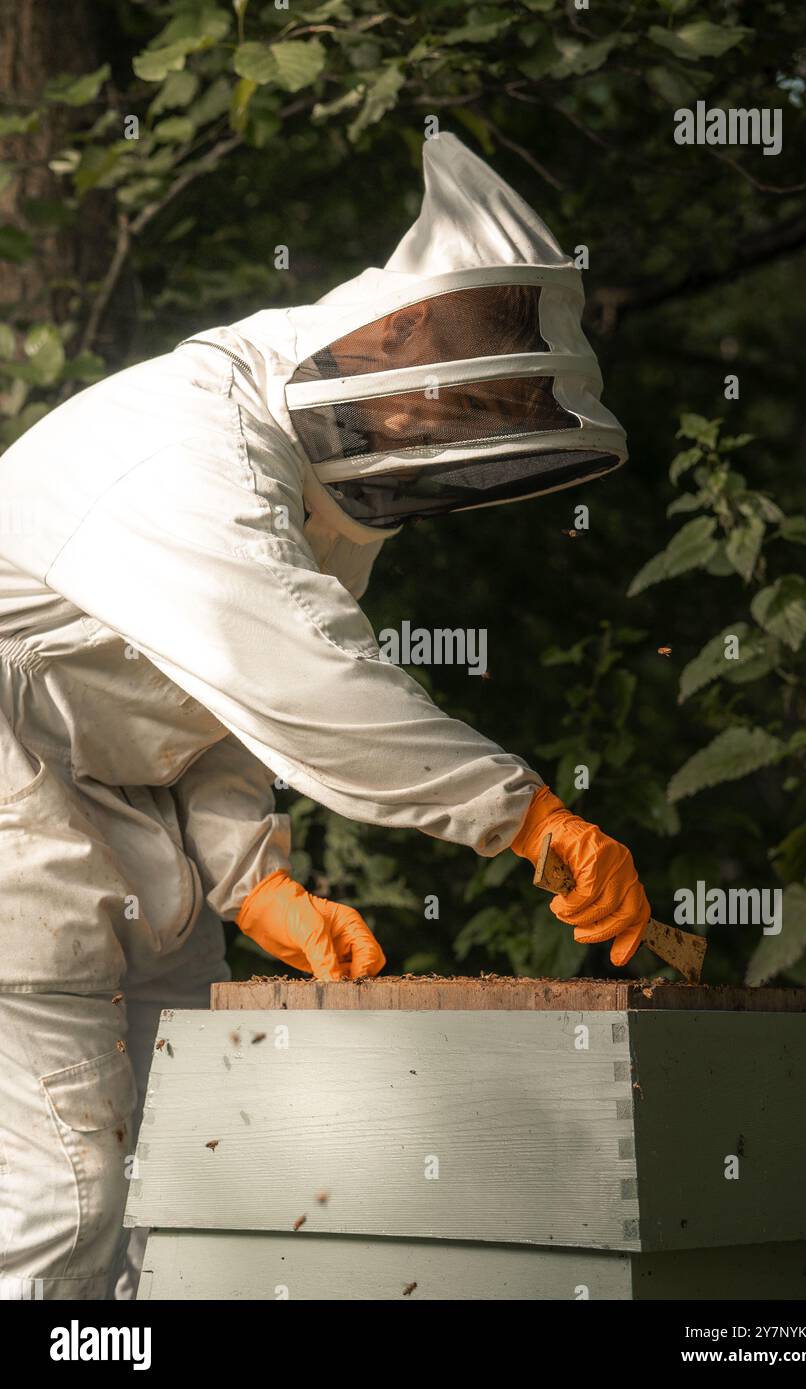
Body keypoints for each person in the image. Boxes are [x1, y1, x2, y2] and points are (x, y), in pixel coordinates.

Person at [0, 133, 649, 1300]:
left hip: (114, 796)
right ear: (399, 332)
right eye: (473, 389)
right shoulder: (190, 448)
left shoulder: (322, 495)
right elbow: (300, 679)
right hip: (15, 796)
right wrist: (530, 816)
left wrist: (253, 878)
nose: (457, 425)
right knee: (66, 1195)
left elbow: (225, 712)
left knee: (188, 1161)